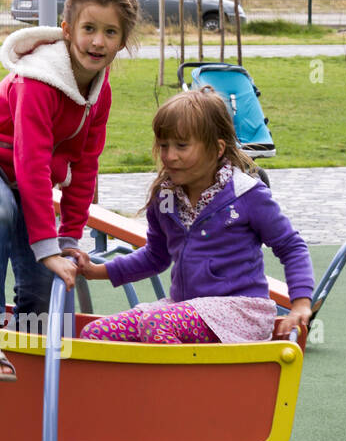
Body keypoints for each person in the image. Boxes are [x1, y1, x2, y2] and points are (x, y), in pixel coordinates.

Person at [0, 0, 140, 380]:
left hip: (21, 180)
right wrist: (46, 241)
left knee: (42, 274)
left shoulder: (99, 92)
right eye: (89, 29)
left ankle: (31, 354)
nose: (98, 42)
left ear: (122, 42)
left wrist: (67, 239)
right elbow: (32, 164)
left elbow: (85, 164)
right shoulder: (40, 81)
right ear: (68, 29)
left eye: (110, 33)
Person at [73, 88, 314, 344]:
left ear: (217, 148)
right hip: (185, 308)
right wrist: (95, 271)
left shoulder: (246, 195)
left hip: (240, 311)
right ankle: (146, 384)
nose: (169, 156)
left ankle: (181, 385)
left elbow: (291, 246)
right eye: (164, 145)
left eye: (181, 146)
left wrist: (300, 303)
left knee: (157, 324)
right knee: (96, 334)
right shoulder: (166, 197)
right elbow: (155, 256)